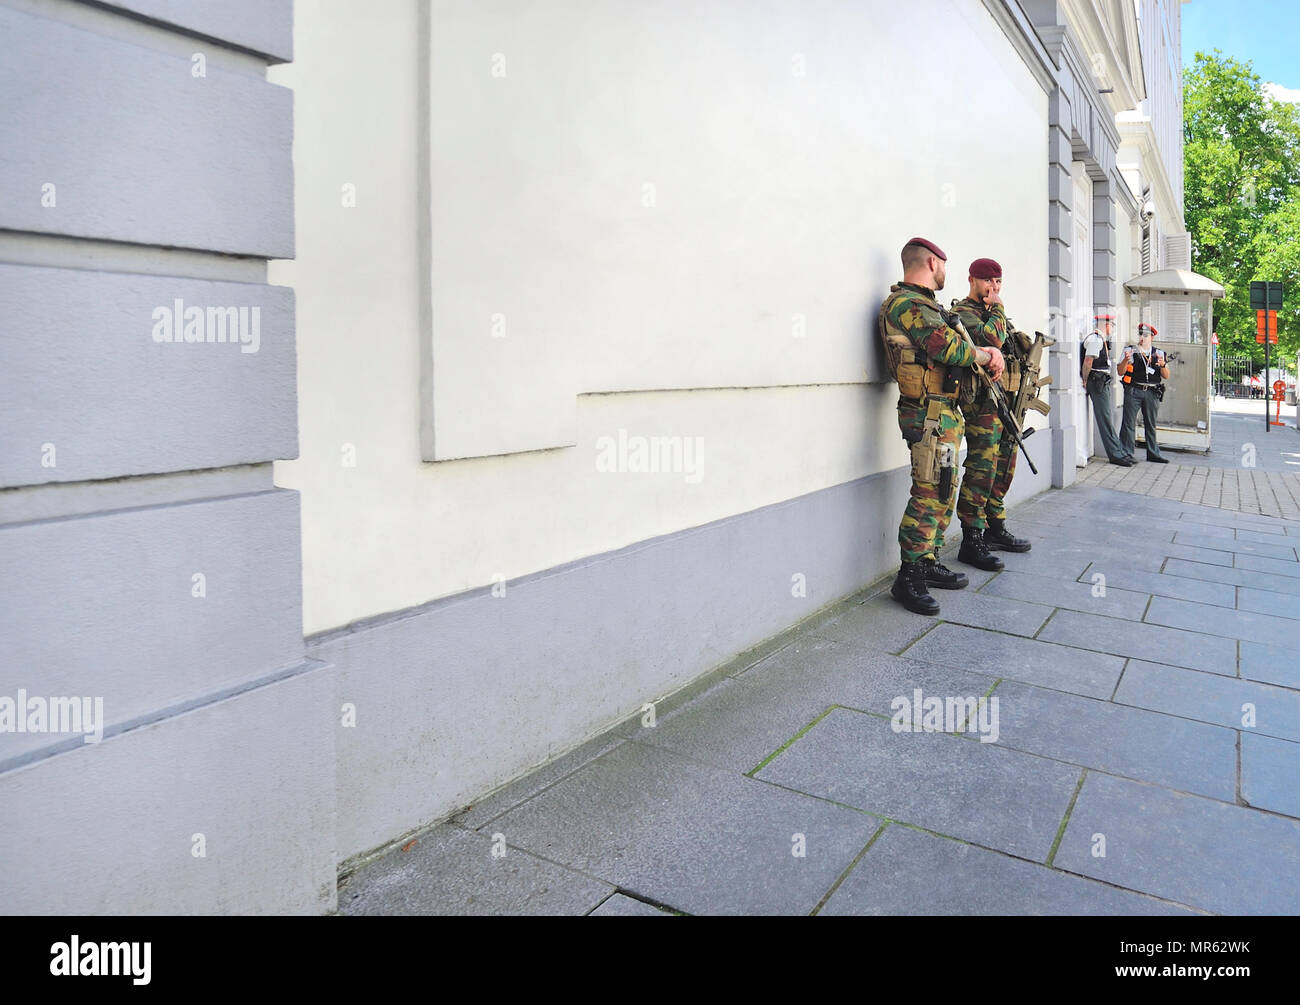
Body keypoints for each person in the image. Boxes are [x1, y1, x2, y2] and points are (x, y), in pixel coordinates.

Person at [878, 238, 1005, 615]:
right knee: (929, 491)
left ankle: (929, 558)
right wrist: (986, 354)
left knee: (944, 488)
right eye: (943, 265)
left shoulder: (924, 304)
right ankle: (909, 576)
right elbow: (945, 345)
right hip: (926, 414)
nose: (945, 272)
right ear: (932, 263)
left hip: (943, 411)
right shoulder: (908, 305)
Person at [950, 258, 1031, 565]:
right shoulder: (962, 314)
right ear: (972, 280)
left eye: (998, 283)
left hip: (1004, 402)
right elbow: (990, 339)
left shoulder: (996, 315)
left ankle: (995, 526)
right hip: (981, 402)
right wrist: (998, 306)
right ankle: (972, 538)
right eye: (989, 282)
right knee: (982, 467)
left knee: (1005, 463)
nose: (994, 288)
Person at [1081, 314, 1132, 466]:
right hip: (1097, 382)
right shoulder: (1096, 340)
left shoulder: (1101, 340)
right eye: (1112, 325)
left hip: (1101, 382)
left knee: (1107, 419)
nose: (1113, 329)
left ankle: (1119, 452)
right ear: (1107, 325)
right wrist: (1085, 379)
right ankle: (1115, 455)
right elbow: (1088, 362)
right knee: (1105, 420)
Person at [1118, 322, 1170, 463]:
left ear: (1151, 337)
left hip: (1152, 392)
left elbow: (1166, 375)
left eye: (1146, 335)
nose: (1142, 337)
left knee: (1151, 423)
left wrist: (1163, 365)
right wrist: (1125, 361)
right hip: (1134, 390)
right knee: (1128, 423)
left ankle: (1153, 453)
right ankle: (1126, 453)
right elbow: (1120, 371)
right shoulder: (1130, 351)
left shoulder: (1159, 353)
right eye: (1140, 334)